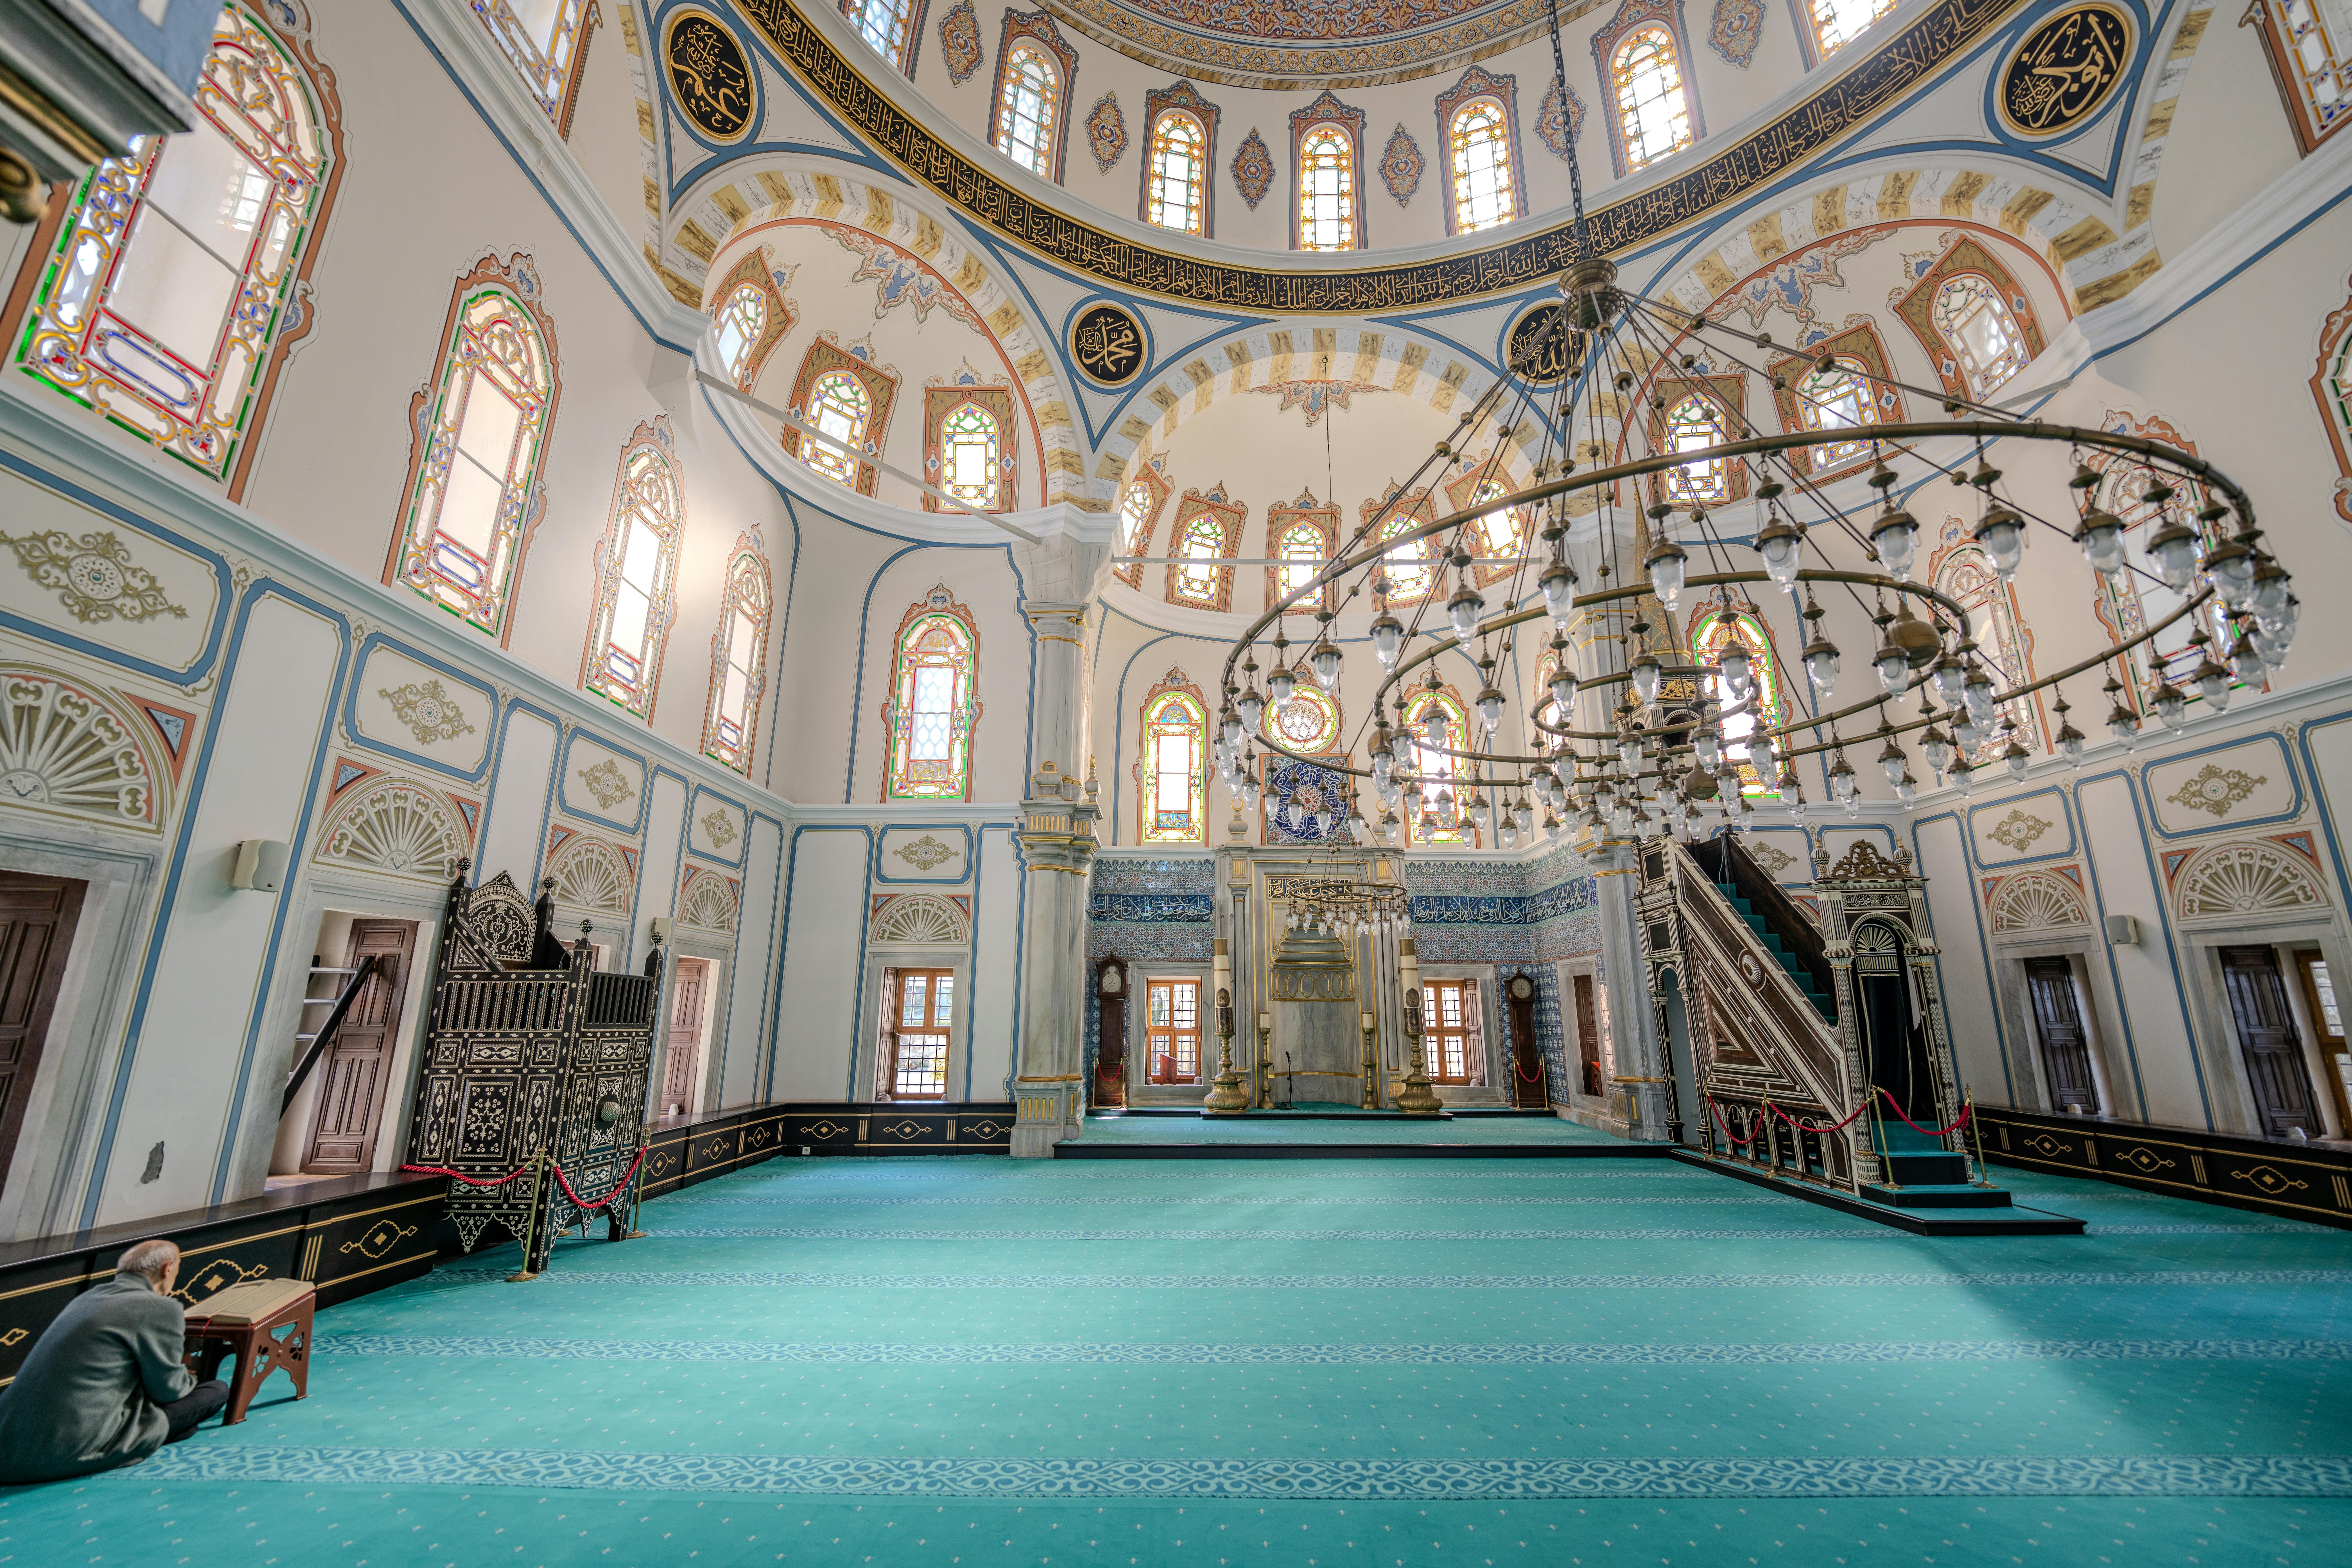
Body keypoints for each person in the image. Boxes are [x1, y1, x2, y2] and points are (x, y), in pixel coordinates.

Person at [0, 1239, 227, 1484]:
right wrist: (189, 1377)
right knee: (216, 1390)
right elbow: (169, 1390)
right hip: (71, 1447)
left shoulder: (86, 1299)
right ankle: (148, 1435)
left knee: (178, 1419)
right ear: (168, 1268)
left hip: (8, 1448)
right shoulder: (160, 1307)